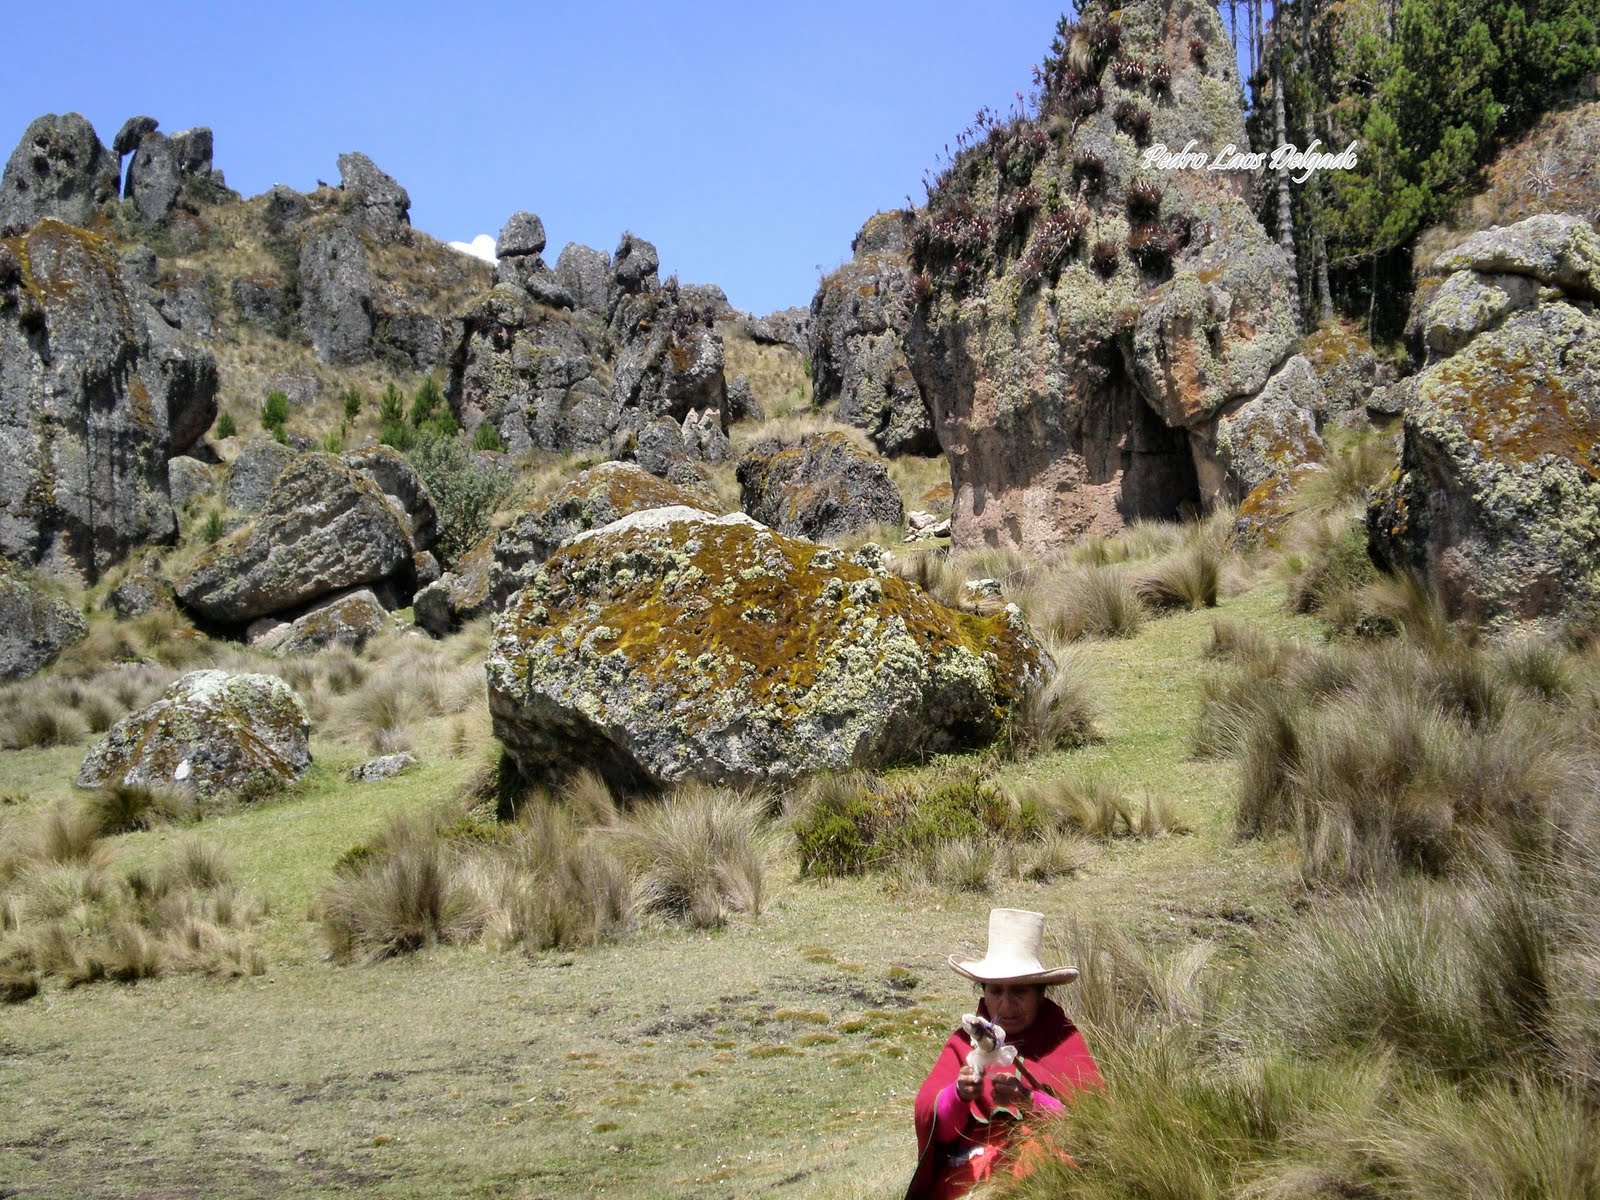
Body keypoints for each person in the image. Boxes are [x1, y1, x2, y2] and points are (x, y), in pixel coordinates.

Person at [905, 908, 1102, 1200]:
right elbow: (937, 1130)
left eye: (1019, 992)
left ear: (1040, 993)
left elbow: (1089, 1128)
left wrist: (1031, 1101)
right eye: (996, 991)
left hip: (1045, 1182)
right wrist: (959, 1095)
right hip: (968, 1182)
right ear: (983, 991)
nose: (1006, 1005)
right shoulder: (962, 1043)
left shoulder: (1064, 1041)